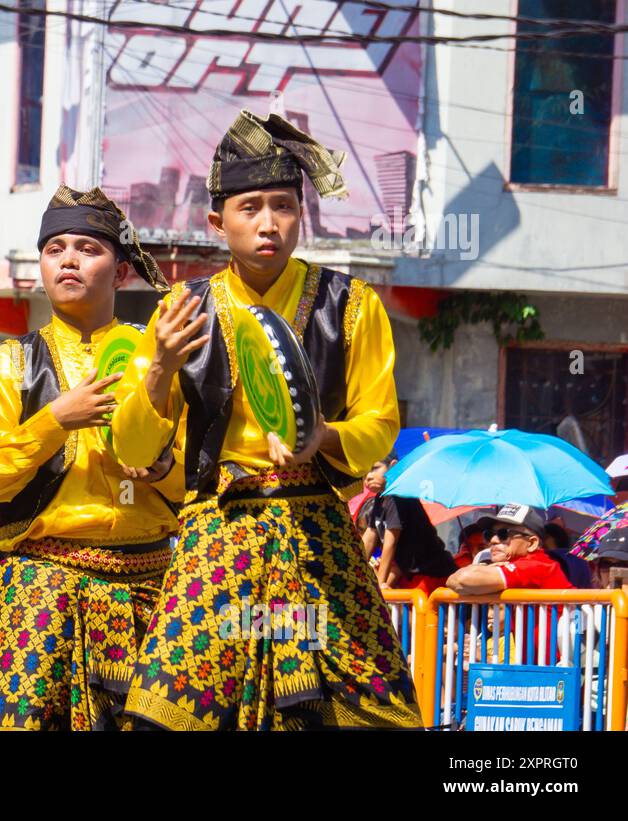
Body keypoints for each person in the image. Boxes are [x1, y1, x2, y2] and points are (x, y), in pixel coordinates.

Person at [113, 110, 421, 730]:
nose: (268, 223)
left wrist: (323, 438)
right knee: (160, 718)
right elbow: (135, 447)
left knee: (368, 715)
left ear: (300, 216)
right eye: (249, 207)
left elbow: (379, 425)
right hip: (218, 529)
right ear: (216, 222)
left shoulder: (353, 305)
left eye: (282, 206)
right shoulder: (181, 311)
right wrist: (160, 369)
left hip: (318, 531)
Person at [0, 185, 183, 731]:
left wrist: (161, 470)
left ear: (122, 271)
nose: (68, 259)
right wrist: (54, 420)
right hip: (42, 583)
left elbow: (200, 481)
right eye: (54, 247)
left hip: (147, 584)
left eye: (87, 247)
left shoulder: (157, 359)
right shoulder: (13, 362)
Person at [363, 456, 458, 593]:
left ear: (393, 466)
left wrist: (380, 583)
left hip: (433, 573)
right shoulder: (380, 498)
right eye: (365, 472)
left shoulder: (399, 496)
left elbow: (391, 542)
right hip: (411, 575)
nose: (369, 476)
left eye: (375, 468)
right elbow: (369, 537)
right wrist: (353, 569)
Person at [445, 504, 573, 594]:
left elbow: (463, 579)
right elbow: (451, 581)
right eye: (489, 534)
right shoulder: (522, 563)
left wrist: (483, 570)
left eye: (503, 534)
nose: (493, 540)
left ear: (532, 543)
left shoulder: (537, 565)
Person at [542, 521, 592, 588]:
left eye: (545, 537)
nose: (541, 542)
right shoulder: (580, 557)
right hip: (584, 596)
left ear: (556, 538)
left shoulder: (552, 559)